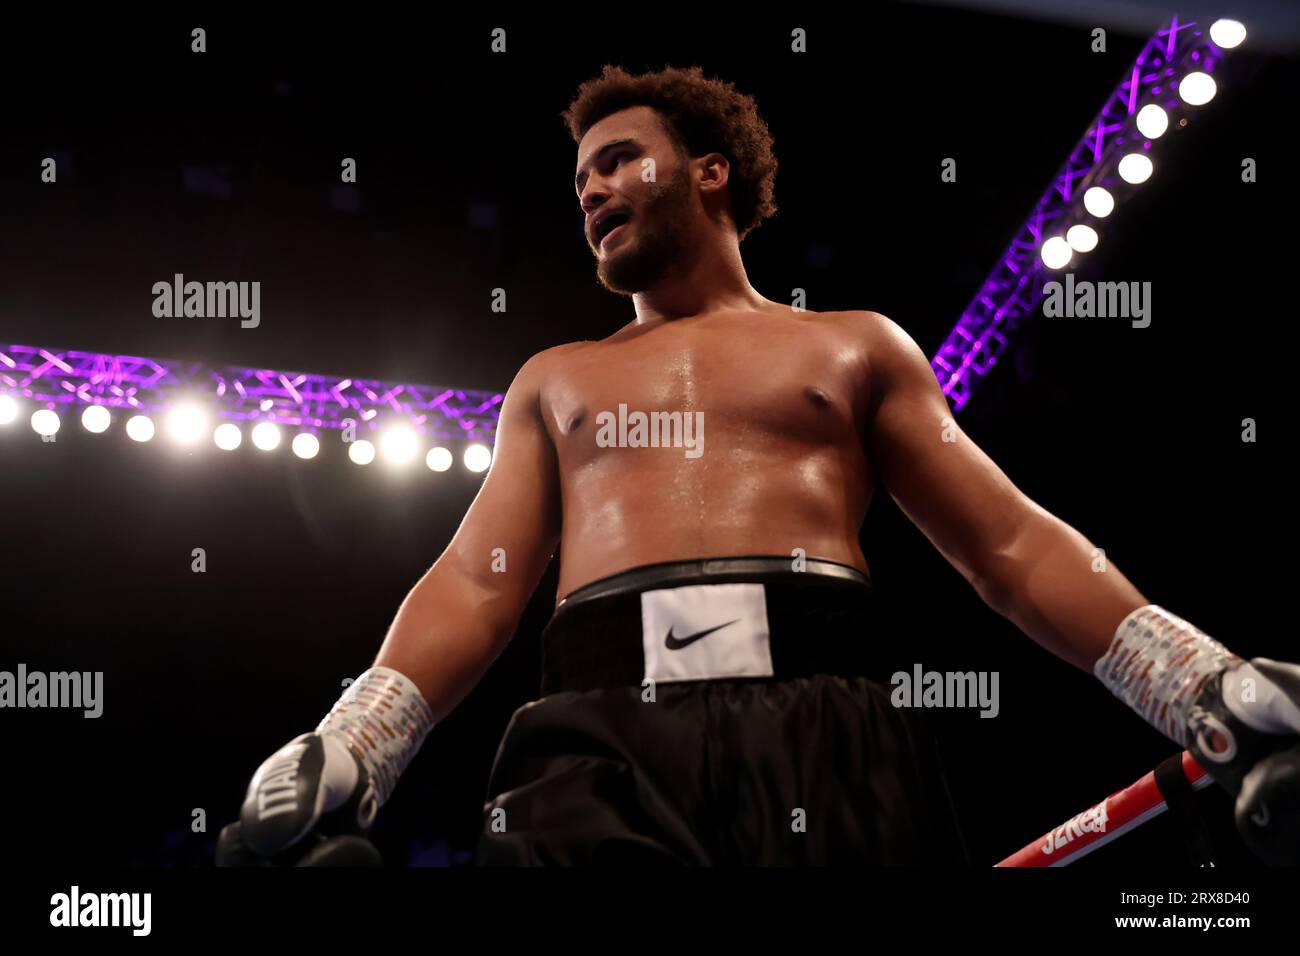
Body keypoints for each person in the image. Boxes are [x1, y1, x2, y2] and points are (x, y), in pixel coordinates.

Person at [217, 65, 1300, 867]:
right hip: (595, 734)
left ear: (710, 170)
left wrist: (1198, 677)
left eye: (616, 160)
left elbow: (1008, 545)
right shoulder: (554, 377)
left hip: (825, 726)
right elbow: (476, 579)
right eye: (579, 177)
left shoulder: (852, 344)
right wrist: (355, 740)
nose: (589, 191)